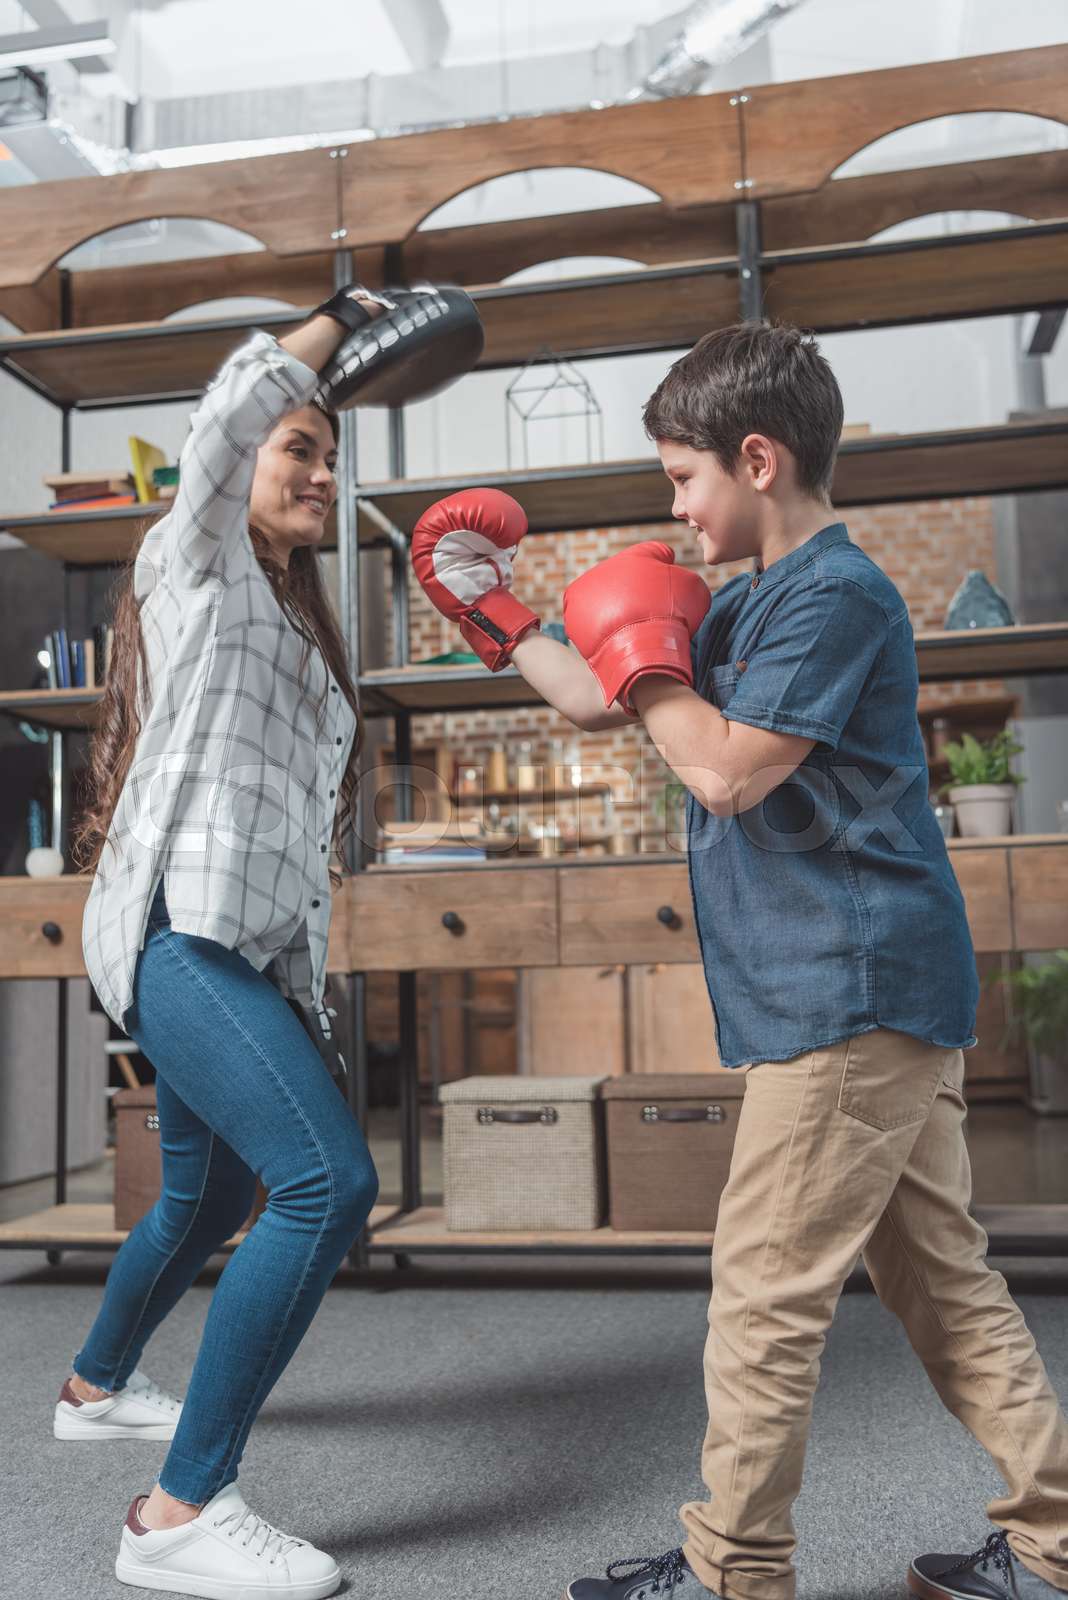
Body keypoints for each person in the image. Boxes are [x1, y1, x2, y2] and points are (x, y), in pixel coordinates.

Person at [409, 321, 1068, 1600]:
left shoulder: (833, 593)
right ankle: (1057, 1540)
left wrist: (643, 641)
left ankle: (731, 1572)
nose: (675, 504)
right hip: (856, 988)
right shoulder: (749, 600)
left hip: (849, 989)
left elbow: (720, 769)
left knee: (764, 1290)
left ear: (757, 458)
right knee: (938, 1279)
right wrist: (499, 606)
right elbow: (606, 695)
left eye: (682, 477)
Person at [60, 281, 480, 1600]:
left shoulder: (301, 629)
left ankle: (92, 1385)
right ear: (239, 463)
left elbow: (295, 857)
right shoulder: (193, 563)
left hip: (240, 954)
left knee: (215, 1194)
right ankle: (179, 1513)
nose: (316, 467)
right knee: (328, 1185)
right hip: (175, 936)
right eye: (298, 448)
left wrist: (302, 1003)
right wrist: (330, 326)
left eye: (327, 455)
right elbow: (227, 413)